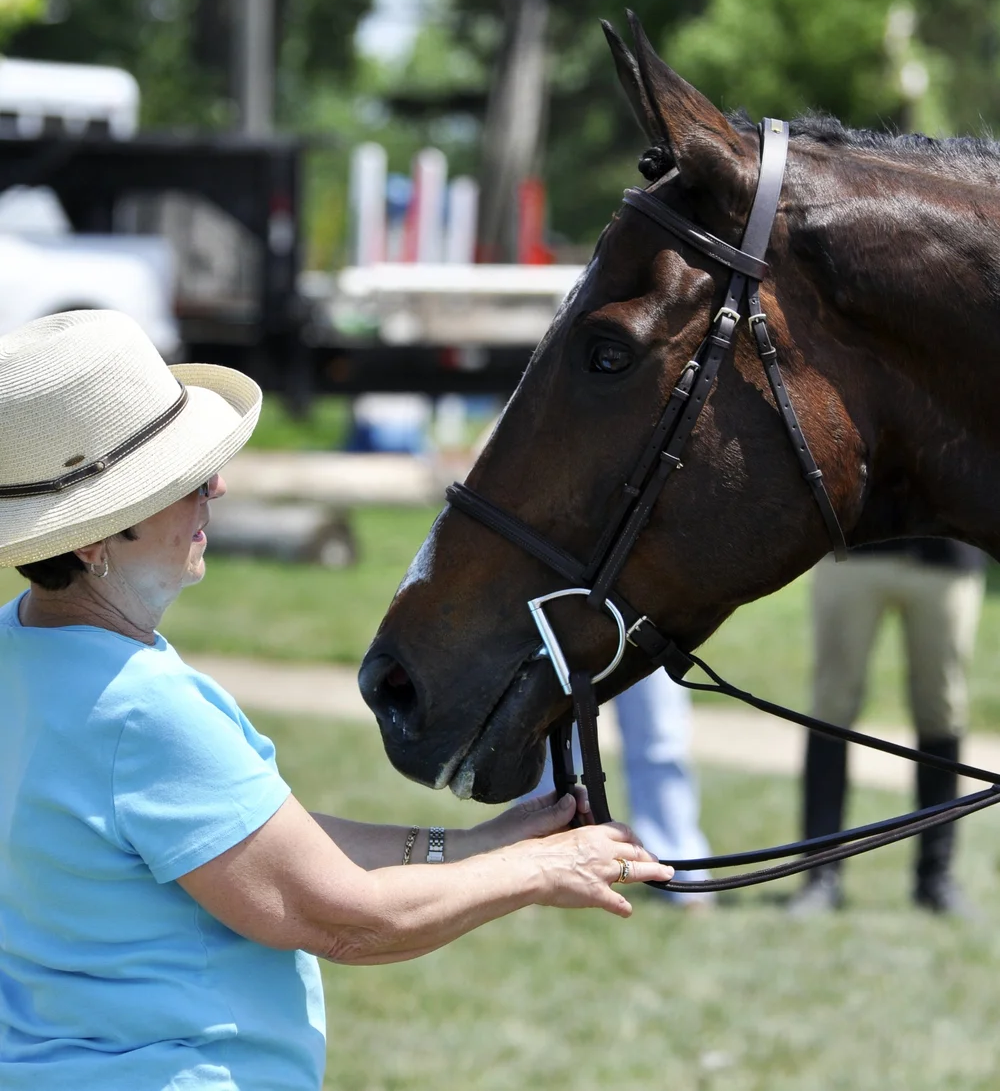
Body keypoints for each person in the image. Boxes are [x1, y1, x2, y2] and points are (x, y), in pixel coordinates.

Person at [0, 310, 673, 1091]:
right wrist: (543, 870)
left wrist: (488, 843)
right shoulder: (143, 709)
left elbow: (251, 846)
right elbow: (344, 919)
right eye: (181, 479)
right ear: (93, 538)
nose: (215, 487)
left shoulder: (25, 651)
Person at [789, 538, 986, 917]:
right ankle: (819, 873)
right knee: (830, 710)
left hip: (946, 556)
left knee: (941, 711)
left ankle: (936, 877)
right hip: (854, 546)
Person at [525, 665, 714, 907]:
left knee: (659, 738)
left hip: (641, 629)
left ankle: (681, 874)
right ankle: (537, 867)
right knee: (551, 739)